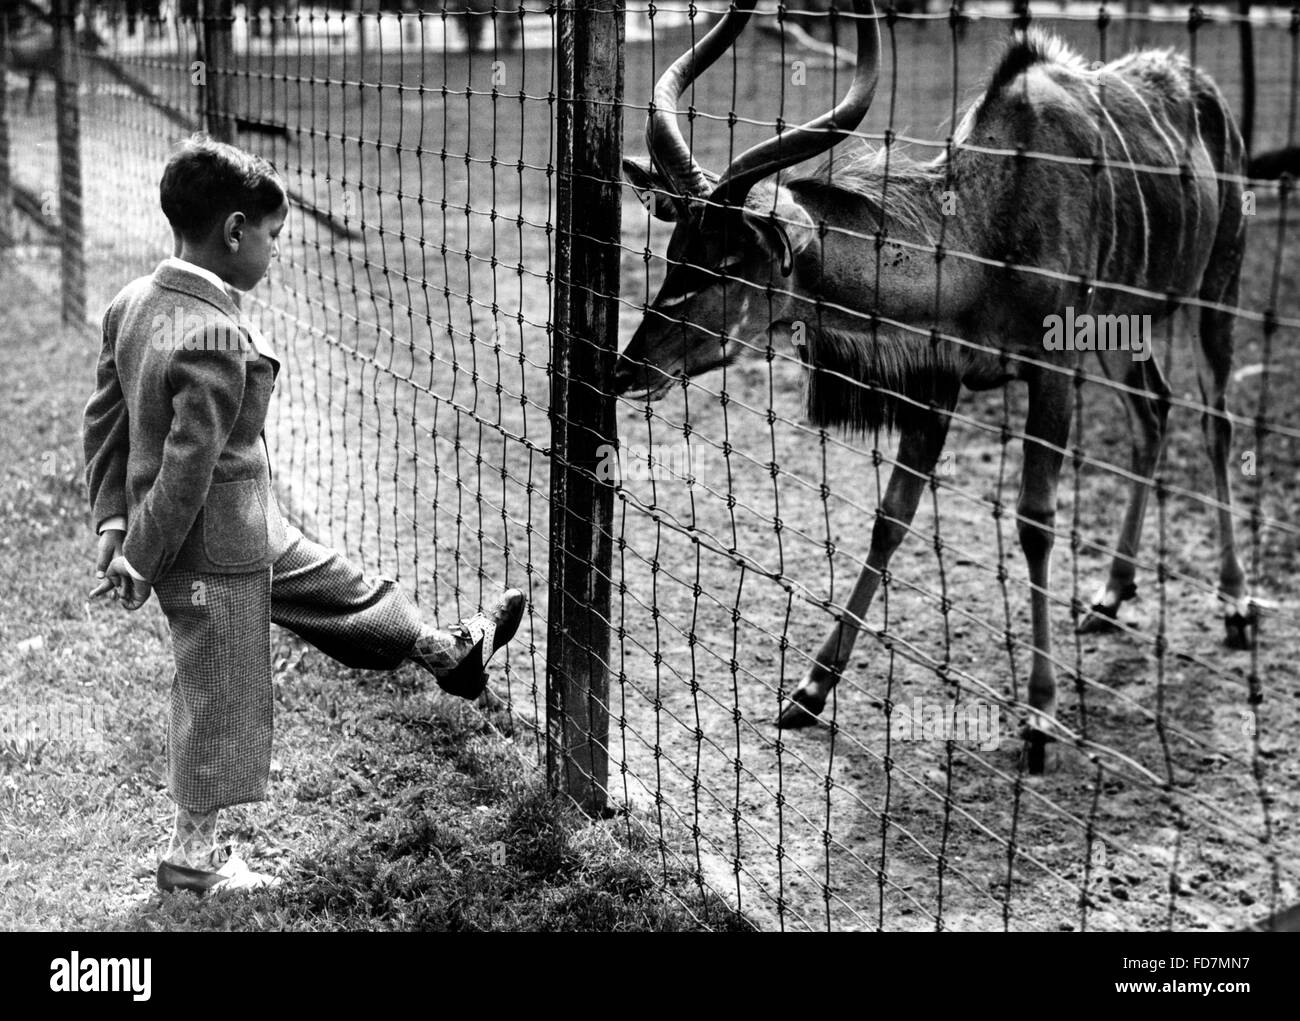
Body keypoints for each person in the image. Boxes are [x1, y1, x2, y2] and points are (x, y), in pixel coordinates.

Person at [82, 134, 524, 896]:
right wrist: (139, 557)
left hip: (247, 522)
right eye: (272, 236)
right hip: (206, 546)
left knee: (340, 586)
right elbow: (186, 468)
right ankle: (192, 857)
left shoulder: (132, 303)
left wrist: (113, 526)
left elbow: (105, 423)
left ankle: (445, 649)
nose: (274, 253)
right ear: (233, 231)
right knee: (218, 690)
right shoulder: (217, 333)